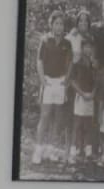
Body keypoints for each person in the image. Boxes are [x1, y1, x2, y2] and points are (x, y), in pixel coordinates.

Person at [34, 11, 73, 165]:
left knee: (58, 118)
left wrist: (67, 80)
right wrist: (43, 80)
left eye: (61, 24)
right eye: (56, 23)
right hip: (48, 82)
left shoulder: (67, 43)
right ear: (51, 25)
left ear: (64, 26)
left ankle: (51, 150)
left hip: (61, 82)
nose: (59, 26)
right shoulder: (45, 40)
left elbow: (70, 63)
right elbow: (39, 62)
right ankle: (38, 150)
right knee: (45, 116)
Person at [69, 34, 98, 164]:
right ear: (82, 48)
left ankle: (87, 151)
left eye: (90, 47)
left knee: (88, 125)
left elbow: (97, 81)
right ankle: (73, 151)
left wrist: (92, 94)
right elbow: (72, 81)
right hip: (80, 97)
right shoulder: (77, 62)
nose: (88, 49)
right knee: (77, 124)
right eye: (85, 47)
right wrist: (81, 93)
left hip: (90, 97)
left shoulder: (94, 64)